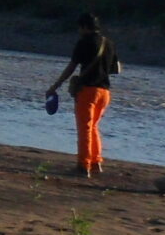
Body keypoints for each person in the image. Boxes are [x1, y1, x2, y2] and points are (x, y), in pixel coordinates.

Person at [47, 13, 119, 177]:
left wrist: (55, 86)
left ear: (85, 27)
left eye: (80, 27)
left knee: (84, 129)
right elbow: (115, 69)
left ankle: (83, 166)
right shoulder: (109, 43)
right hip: (105, 92)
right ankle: (96, 163)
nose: (79, 31)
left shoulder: (84, 42)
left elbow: (72, 67)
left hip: (88, 91)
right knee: (94, 127)